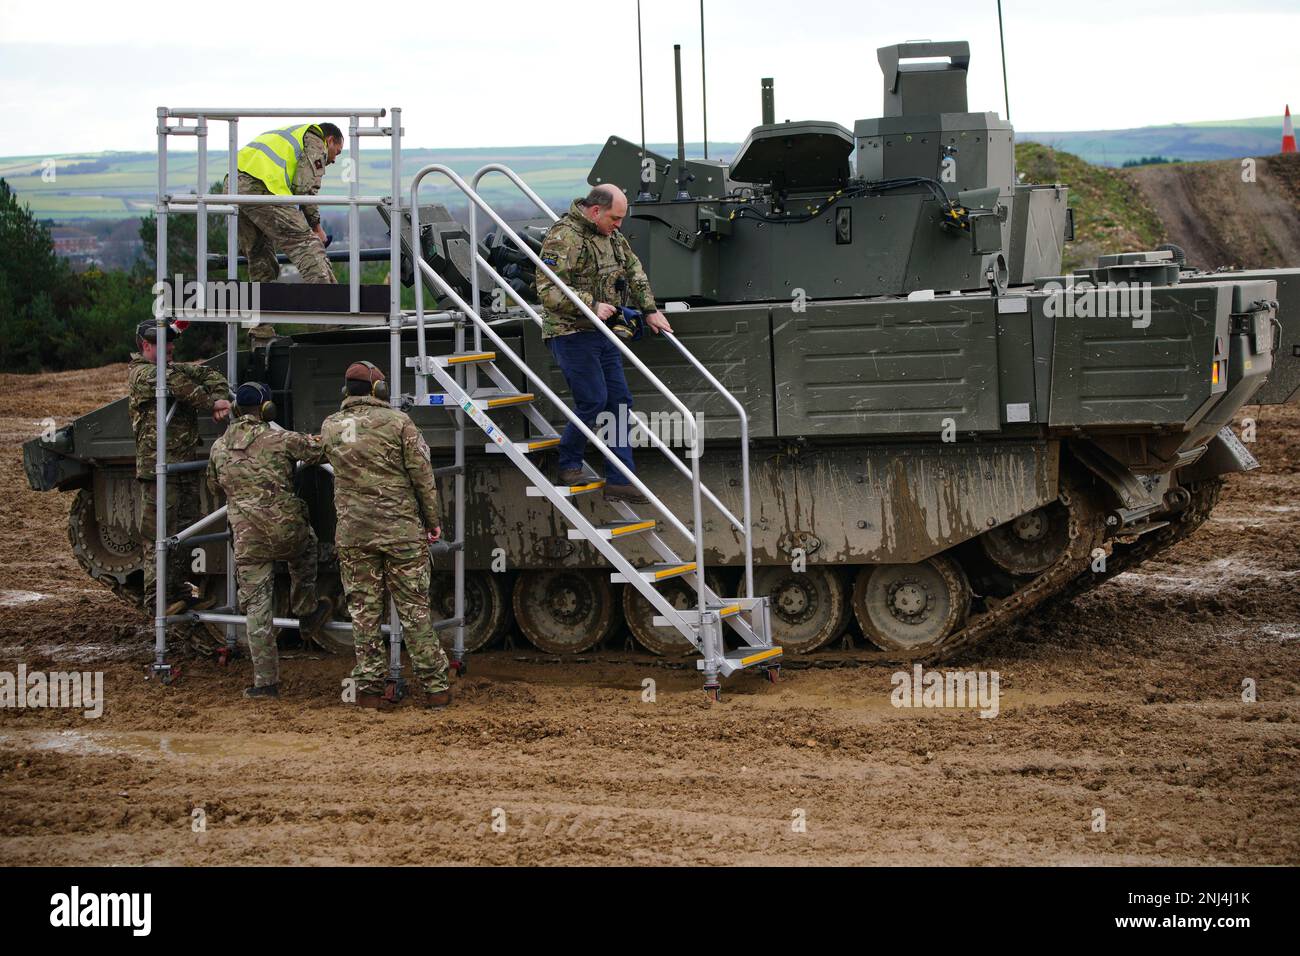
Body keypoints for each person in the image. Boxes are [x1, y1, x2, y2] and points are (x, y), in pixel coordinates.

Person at [320, 362, 451, 710]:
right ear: (379, 390)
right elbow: (423, 476)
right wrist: (432, 520)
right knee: (414, 611)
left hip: (354, 534)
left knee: (364, 614)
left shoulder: (331, 425)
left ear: (346, 392)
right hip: (401, 532)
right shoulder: (399, 424)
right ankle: (436, 689)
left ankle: (369, 692)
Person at [535, 183, 673, 504]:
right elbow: (547, 289)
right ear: (595, 211)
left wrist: (650, 311)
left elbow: (634, 270)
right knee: (594, 400)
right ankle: (568, 461)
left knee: (619, 402)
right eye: (615, 217)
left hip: (603, 332)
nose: (619, 224)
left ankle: (620, 478)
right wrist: (590, 304)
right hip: (570, 333)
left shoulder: (611, 235)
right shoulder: (564, 237)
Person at [206, 383, 333, 699]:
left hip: (248, 537)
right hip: (287, 529)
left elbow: (212, 486)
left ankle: (266, 683)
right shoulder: (280, 438)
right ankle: (305, 610)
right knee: (308, 549)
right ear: (266, 410)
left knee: (257, 608)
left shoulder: (219, 448)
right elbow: (320, 451)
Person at [127, 320, 232, 616]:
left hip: (182, 466)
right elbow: (176, 385)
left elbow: (208, 373)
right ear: (145, 346)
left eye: (171, 343)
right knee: (158, 536)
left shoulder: (172, 368)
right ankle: (156, 600)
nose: (171, 348)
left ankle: (180, 590)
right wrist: (214, 402)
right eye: (163, 344)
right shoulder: (142, 374)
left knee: (185, 533)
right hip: (157, 470)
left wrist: (218, 396)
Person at [226, 121, 343, 285]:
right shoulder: (315, 139)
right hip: (260, 187)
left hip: (232, 187)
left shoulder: (289, 134)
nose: (334, 159)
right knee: (306, 243)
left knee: (259, 251)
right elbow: (305, 188)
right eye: (337, 152)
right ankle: (328, 300)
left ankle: (264, 301)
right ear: (329, 140)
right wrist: (316, 227)